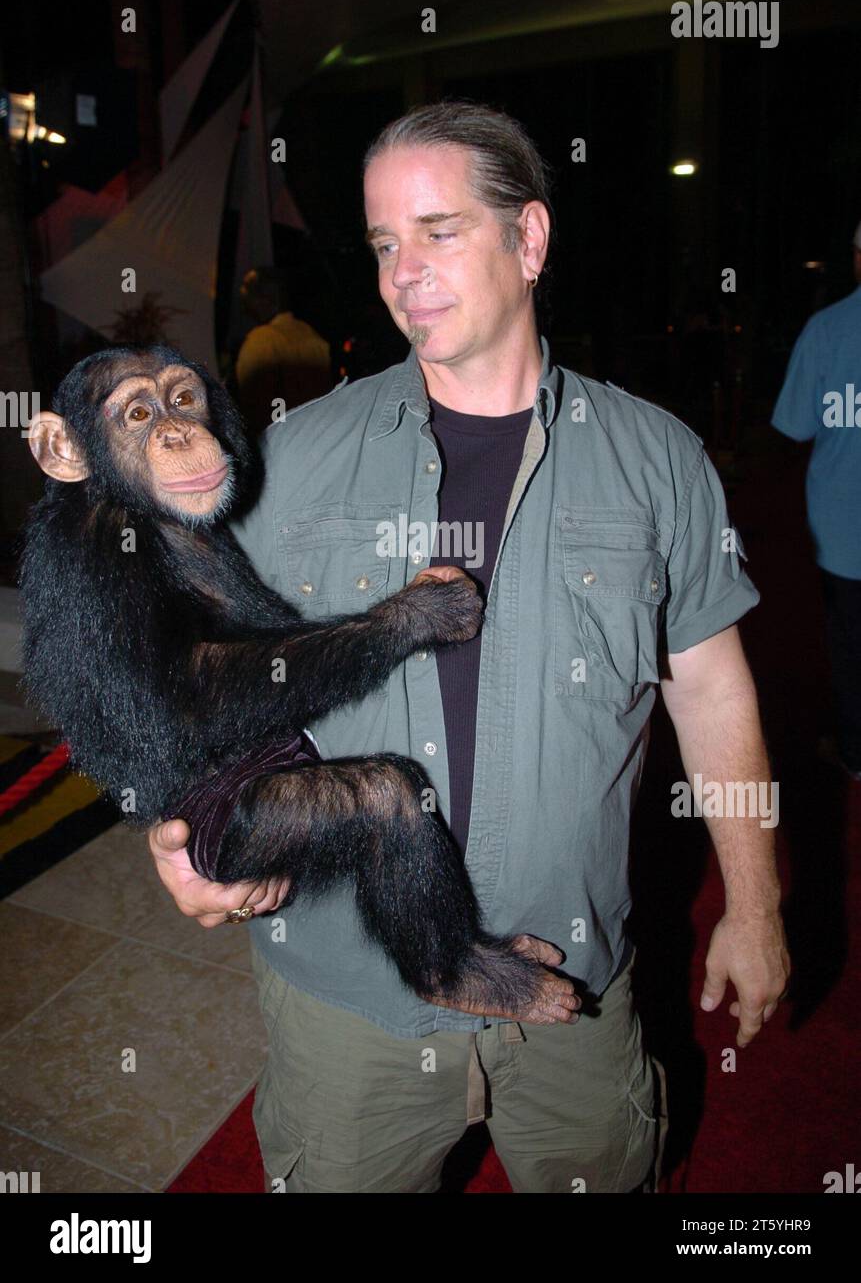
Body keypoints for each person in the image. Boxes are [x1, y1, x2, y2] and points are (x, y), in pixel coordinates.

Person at [148, 102, 789, 1193]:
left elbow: (712, 689)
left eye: (439, 231)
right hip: (351, 996)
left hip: (570, 977)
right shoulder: (295, 459)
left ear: (529, 240)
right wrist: (177, 825)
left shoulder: (658, 460)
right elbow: (194, 665)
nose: (405, 271)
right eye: (387, 242)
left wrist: (756, 901)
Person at [771, 223, 861, 780]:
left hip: (844, 528)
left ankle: (856, 753)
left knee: (850, 643)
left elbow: (795, 425)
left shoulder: (828, 330)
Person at [235, 267, 331, 434]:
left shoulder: (261, 340)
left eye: (249, 299)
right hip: (317, 433)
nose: (245, 308)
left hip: (279, 440)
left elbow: (257, 407)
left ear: (266, 299)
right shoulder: (310, 334)